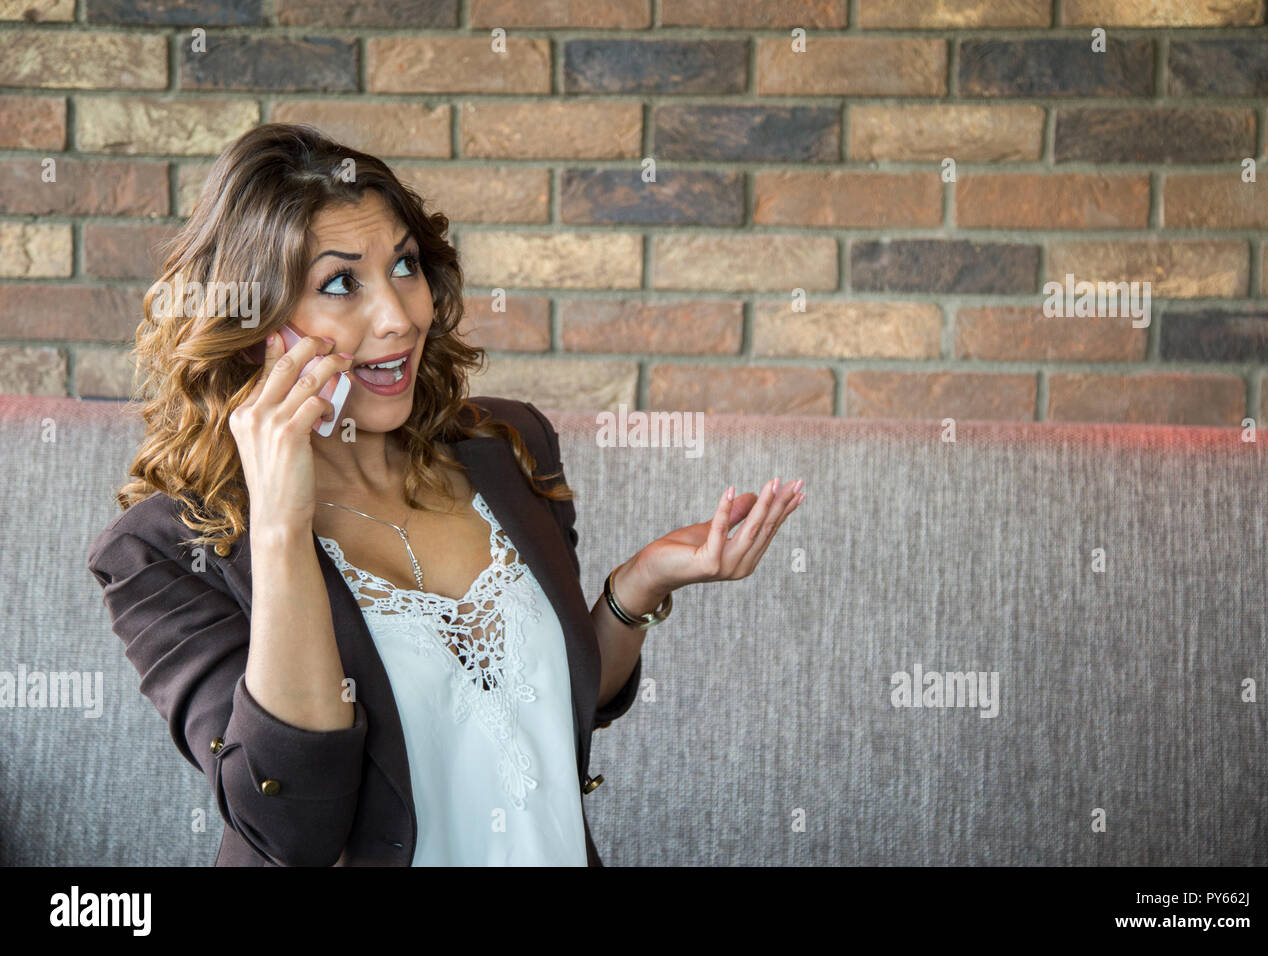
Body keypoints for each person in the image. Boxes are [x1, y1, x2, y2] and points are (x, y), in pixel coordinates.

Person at [86, 123, 805, 866]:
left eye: (403, 266)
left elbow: (546, 709)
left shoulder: (505, 448)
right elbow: (293, 826)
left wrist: (638, 585)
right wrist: (278, 525)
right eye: (340, 283)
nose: (400, 316)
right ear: (256, 323)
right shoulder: (167, 551)